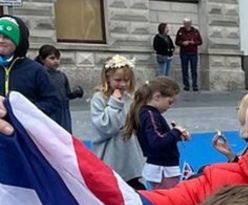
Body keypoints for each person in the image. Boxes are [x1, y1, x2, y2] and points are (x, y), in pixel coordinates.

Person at [91, 55, 145, 189]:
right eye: (118, 80)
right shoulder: (99, 99)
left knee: (136, 192)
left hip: (131, 158)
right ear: (107, 78)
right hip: (110, 157)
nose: (122, 84)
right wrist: (115, 103)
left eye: (126, 80)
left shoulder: (129, 98)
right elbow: (106, 127)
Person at [125, 77, 190, 189]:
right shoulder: (150, 115)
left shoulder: (147, 114)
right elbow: (157, 142)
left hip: (160, 167)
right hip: (163, 169)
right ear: (157, 97)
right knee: (169, 198)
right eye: (169, 102)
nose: (170, 107)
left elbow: (159, 138)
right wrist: (175, 131)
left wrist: (177, 136)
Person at [0, 16, 61, 122]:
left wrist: (25, 111)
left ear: (19, 41)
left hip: (26, 132)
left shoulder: (35, 70)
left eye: (6, 37)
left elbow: (53, 101)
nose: (1, 40)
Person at [35, 44, 83, 133]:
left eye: (57, 58)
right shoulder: (39, 75)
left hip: (63, 113)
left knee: (65, 135)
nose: (56, 61)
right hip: (49, 113)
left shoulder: (61, 76)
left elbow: (67, 94)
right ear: (42, 59)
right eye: (52, 58)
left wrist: (76, 93)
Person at [175, 18, 203, 91]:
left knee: (194, 69)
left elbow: (200, 42)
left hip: (193, 52)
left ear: (190, 24)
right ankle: (186, 85)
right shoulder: (180, 31)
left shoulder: (195, 31)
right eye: (185, 24)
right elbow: (177, 41)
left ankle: (194, 85)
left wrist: (194, 43)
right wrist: (182, 43)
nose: (187, 25)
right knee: (185, 69)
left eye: (188, 23)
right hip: (184, 52)